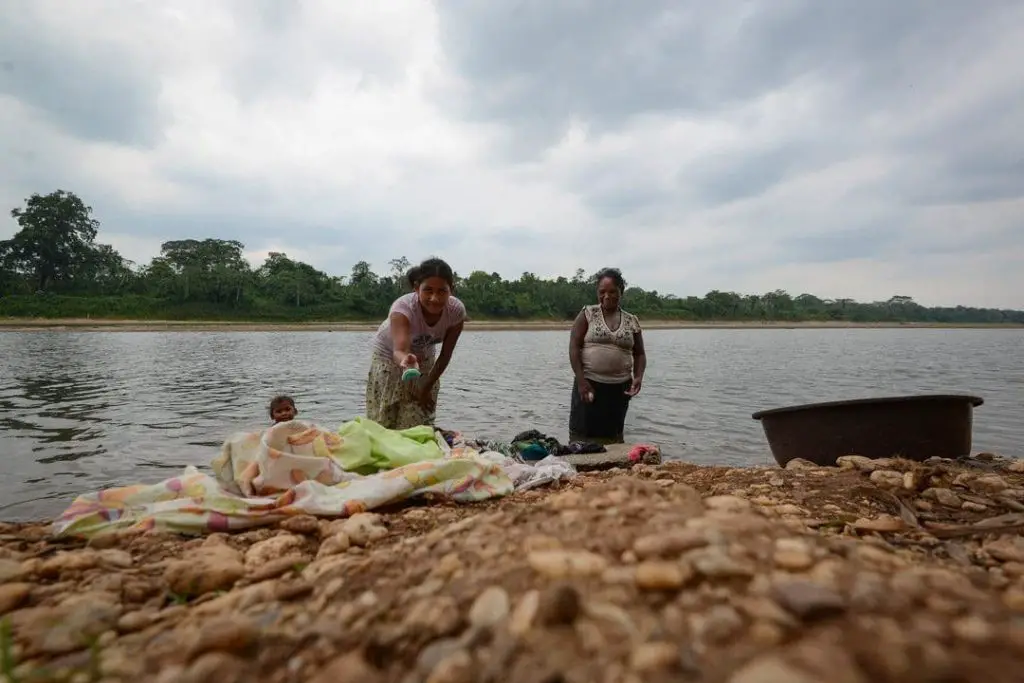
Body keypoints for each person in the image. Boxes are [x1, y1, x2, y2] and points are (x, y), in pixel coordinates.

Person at [365, 257, 466, 430]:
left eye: (442, 291)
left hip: (424, 356)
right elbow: (399, 350)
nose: (434, 298)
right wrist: (406, 360)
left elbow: (445, 356)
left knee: (417, 420)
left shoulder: (456, 311)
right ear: (417, 288)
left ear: (451, 289)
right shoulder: (402, 308)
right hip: (389, 356)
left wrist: (426, 387)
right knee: (384, 421)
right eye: (428, 290)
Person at [568, 267, 646, 444]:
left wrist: (638, 377)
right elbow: (574, 347)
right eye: (602, 292)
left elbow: (640, 353)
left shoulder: (631, 320)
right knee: (581, 435)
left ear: (621, 292)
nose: (607, 296)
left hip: (620, 388)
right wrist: (581, 381)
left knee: (613, 435)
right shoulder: (588, 314)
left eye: (612, 291)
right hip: (589, 384)